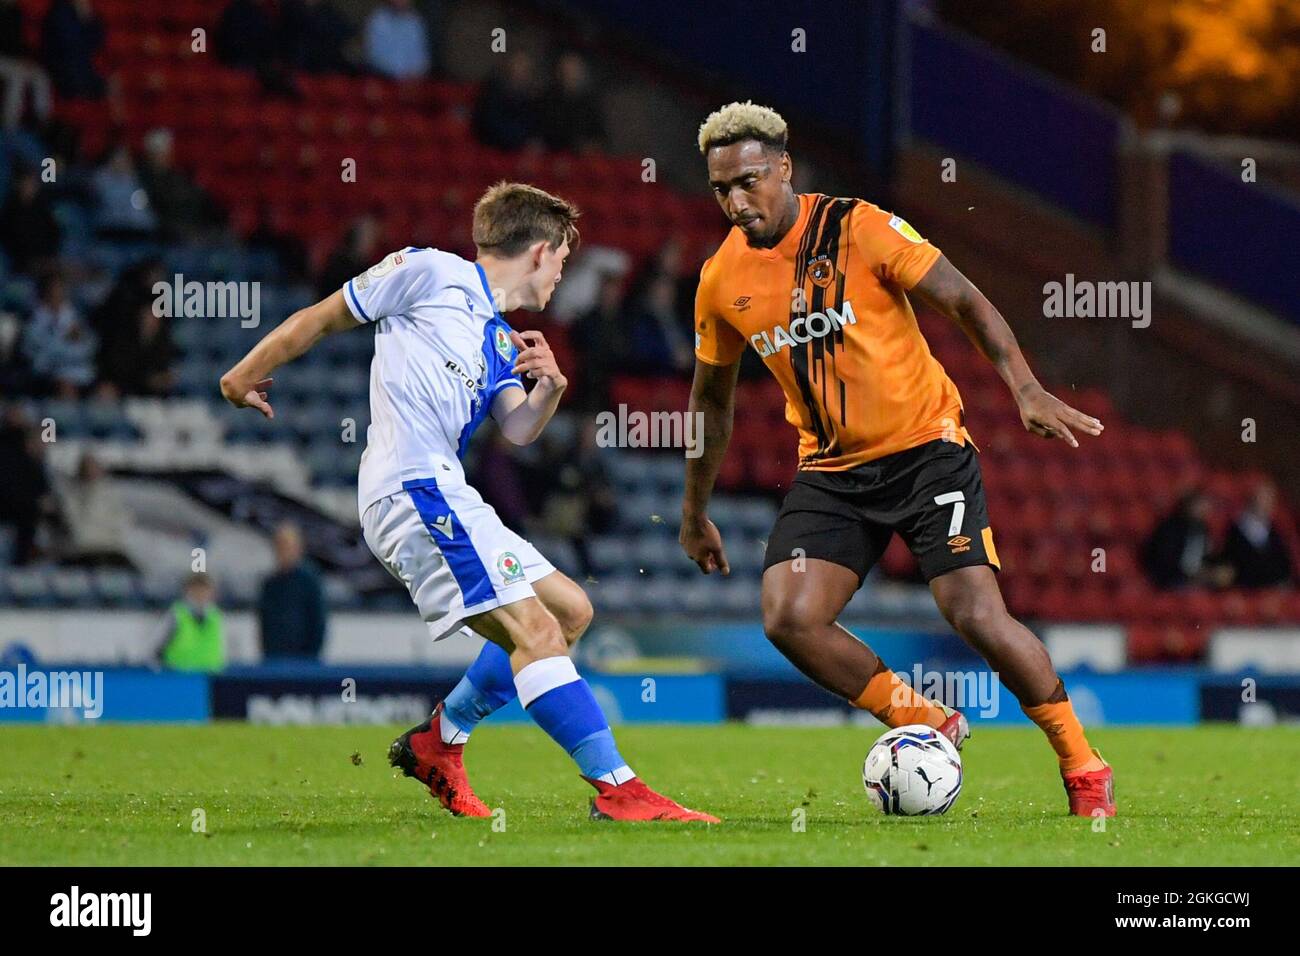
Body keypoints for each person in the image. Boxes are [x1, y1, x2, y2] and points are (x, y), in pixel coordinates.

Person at [220, 182, 715, 822]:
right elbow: (324, 316)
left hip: (450, 490)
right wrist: (241, 373)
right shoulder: (429, 271)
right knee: (533, 631)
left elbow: (516, 429)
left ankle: (439, 741)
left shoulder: (501, 337)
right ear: (539, 251)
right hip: (411, 487)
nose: (565, 273)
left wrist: (552, 389)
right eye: (563, 258)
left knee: (568, 611)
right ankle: (619, 789)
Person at [681, 102, 1115, 818]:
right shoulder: (720, 280)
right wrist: (695, 510)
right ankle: (927, 722)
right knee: (789, 616)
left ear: (784, 169)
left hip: (926, 453)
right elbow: (711, 403)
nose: (736, 201)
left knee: (974, 614)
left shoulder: (860, 227)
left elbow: (966, 302)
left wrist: (1026, 389)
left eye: (749, 181)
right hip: (831, 471)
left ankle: (1082, 763)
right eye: (722, 189)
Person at [256, 522, 327, 660]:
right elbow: (265, 625)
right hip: (274, 661)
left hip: (305, 662)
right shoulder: (269, 585)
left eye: (288, 546)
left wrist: (311, 658)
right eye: (280, 546)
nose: (284, 551)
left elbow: (318, 623)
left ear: (298, 549)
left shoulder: (310, 582)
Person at [22, 272, 97, 397]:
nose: (57, 295)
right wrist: (65, 341)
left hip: (81, 374)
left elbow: (90, 348)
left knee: (105, 392)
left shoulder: (78, 318)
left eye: (61, 290)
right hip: (48, 376)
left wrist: (80, 338)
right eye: (53, 291)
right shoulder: (31, 322)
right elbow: (37, 359)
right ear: (44, 293)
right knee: (65, 387)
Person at [55, 451, 135, 568]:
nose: (91, 471)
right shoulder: (70, 496)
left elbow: (122, 521)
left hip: (110, 547)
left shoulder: (111, 494)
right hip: (83, 550)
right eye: (87, 468)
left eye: (94, 467)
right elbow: (75, 526)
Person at [1141, 489, 1223, 589]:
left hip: (1196, 578)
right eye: (1200, 505)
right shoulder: (1170, 527)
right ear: (1188, 506)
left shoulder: (1203, 528)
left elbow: (1206, 556)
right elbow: (1167, 560)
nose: (1205, 509)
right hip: (1171, 579)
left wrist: (1214, 570)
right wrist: (1194, 573)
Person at [1220, 483, 1294, 589]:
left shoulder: (1275, 531)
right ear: (1251, 500)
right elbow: (1233, 565)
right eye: (1263, 498)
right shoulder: (1235, 530)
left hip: (1273, 590)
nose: (1268, 503)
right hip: (1245, 589)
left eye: (1270, 499)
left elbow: (1283, 566)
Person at [153, 572, 226, 672]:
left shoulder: (217, 616)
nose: (200, 593)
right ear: (187, 591)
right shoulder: (176, 615)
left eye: (204, 589)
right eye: (196, 589)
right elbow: (155, 647)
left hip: (210, 679)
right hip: (179, 678)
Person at [363, 0, 430, 81]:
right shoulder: (378, 20)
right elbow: (374, 56)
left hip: (412, 81)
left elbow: (421, 56)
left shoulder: (415, 22)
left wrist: (415, 72)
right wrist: (399, 74)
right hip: (382, 79)